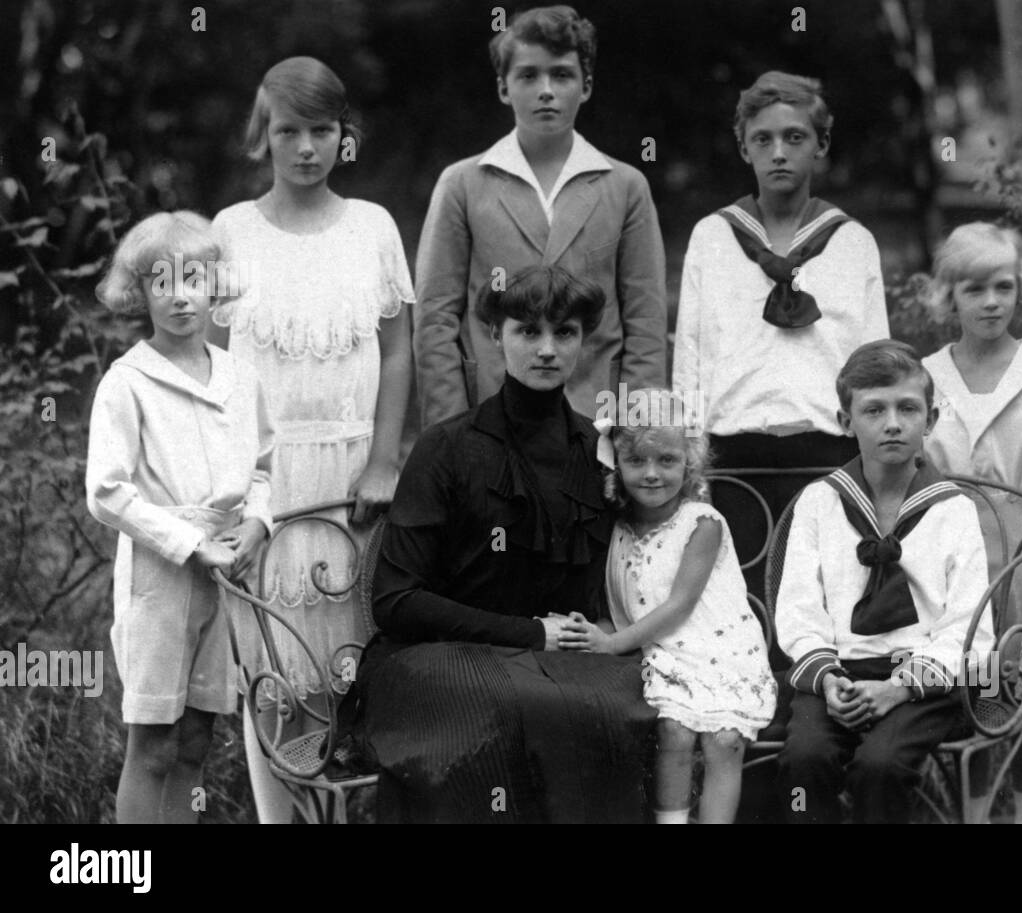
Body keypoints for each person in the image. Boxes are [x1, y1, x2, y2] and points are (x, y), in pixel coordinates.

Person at [348, 265, 656, 823]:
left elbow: (648, 562)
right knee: (497, 708)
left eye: (564, 333)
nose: (546, 349)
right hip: (442, 657)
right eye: (527, 331)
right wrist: (529, 632)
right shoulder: (447, 448)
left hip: (565, 661)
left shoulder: (603, 451)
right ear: (495, 334)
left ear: (584, 341)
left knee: (615, 704)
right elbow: (395, 601)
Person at [209, 56, 414, 823]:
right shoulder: (230, 230)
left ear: (343, 137)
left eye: (321, 130)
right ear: (263, 135)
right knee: (273, 669)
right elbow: (213, 369)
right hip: (264, 478)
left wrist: (385, 458)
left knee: (348, 665)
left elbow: (396, 351)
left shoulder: (373, 227)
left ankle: (350, 812)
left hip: (355, 475)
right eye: (288, 130)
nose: (305, 147)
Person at [86, 211, 274, 823]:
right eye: (160, 282)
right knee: (155, 745)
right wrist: (191, 543)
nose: (179, 295)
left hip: (228, 573)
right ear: (139, 293)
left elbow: (265, 467)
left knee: (197, 738)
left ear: (214, 283)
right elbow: (106, 492)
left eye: (192, 277)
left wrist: (258, 524)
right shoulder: (128, 382)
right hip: (161, 577)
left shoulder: (241, 377)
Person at [672, 71, 889, 597]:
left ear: (822, 145)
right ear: (743, 148)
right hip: (734, 455)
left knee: (822, 597)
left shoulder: (853, 241)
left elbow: (877, 363)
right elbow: (691, 354)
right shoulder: (713, 237)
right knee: (743, 600)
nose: (779, 153)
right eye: (763, 139)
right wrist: (690, 461)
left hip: (828, 453)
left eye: (795, 138)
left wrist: (876, 460)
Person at [414, 4, 667, 426]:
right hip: (490, 418)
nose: (546, 90)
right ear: (503, 87)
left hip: (595, 421)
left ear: (585, 86)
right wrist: (452, 433)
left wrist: (635, 428)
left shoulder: (625, 186)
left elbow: (645, 320)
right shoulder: (463, 183)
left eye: (562, 75)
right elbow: (435, 316)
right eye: (528, 75)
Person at [775, 340, 993, 823]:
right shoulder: (819, 502)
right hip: (841, 674)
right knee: (805, 758)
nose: (892, 423)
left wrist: (899, 688)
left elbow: (969, 627)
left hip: (924, 681)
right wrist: (829, 680)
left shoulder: (952, 510)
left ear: (930, 421)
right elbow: (797, 609)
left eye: (907, 408)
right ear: (845, 421)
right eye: (873, 410)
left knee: (882, 765)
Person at [561, 390, 776, 823]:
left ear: (688, 463)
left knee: (724, 739)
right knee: (673, 730)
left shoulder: (702, 522)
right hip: (659, 652)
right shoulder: (616, 527)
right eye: (637, 461)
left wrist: (613, 643)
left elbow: (679, 605)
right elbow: (620, 603)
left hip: (722, 648)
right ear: (616, 466)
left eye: (667, 460)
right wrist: (596, 633)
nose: (652, 474)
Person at [919, 221, 1022, 823]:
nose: (991, 302)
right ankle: (971, 812)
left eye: (1003, 287)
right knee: (970, 679)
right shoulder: (925, 375)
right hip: (949, 547)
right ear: (948, 296)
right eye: (974, 290)